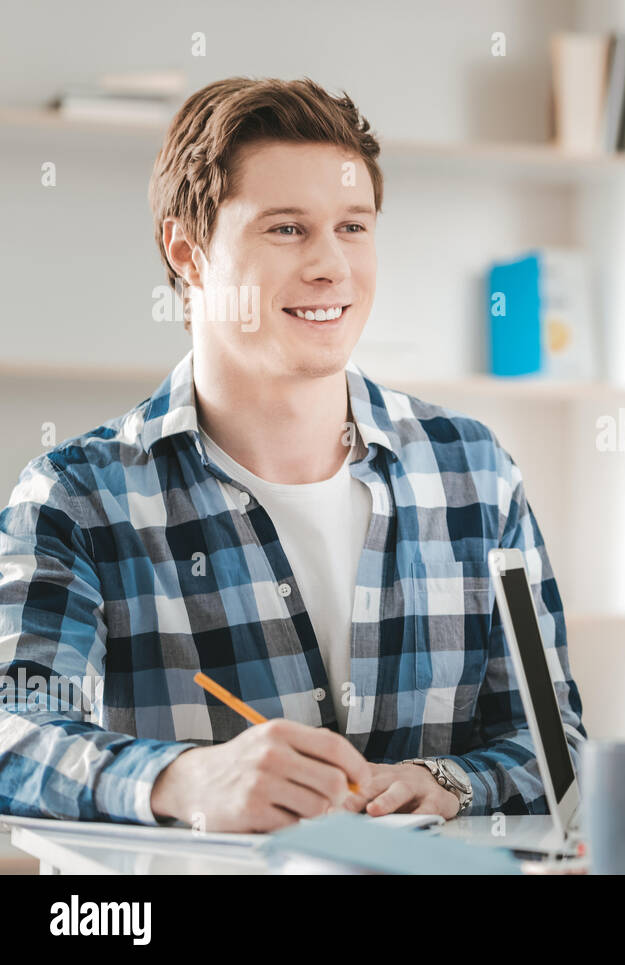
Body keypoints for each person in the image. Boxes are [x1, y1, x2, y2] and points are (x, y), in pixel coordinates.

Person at [0, 77, 586, 831]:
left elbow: (555, 742)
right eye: (286, 229)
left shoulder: (474, 472)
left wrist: (443, 779)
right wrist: (184, 780)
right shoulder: (76, 497)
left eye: (353, 227)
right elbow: (14, 733)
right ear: (187, 251)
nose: (331, 267)